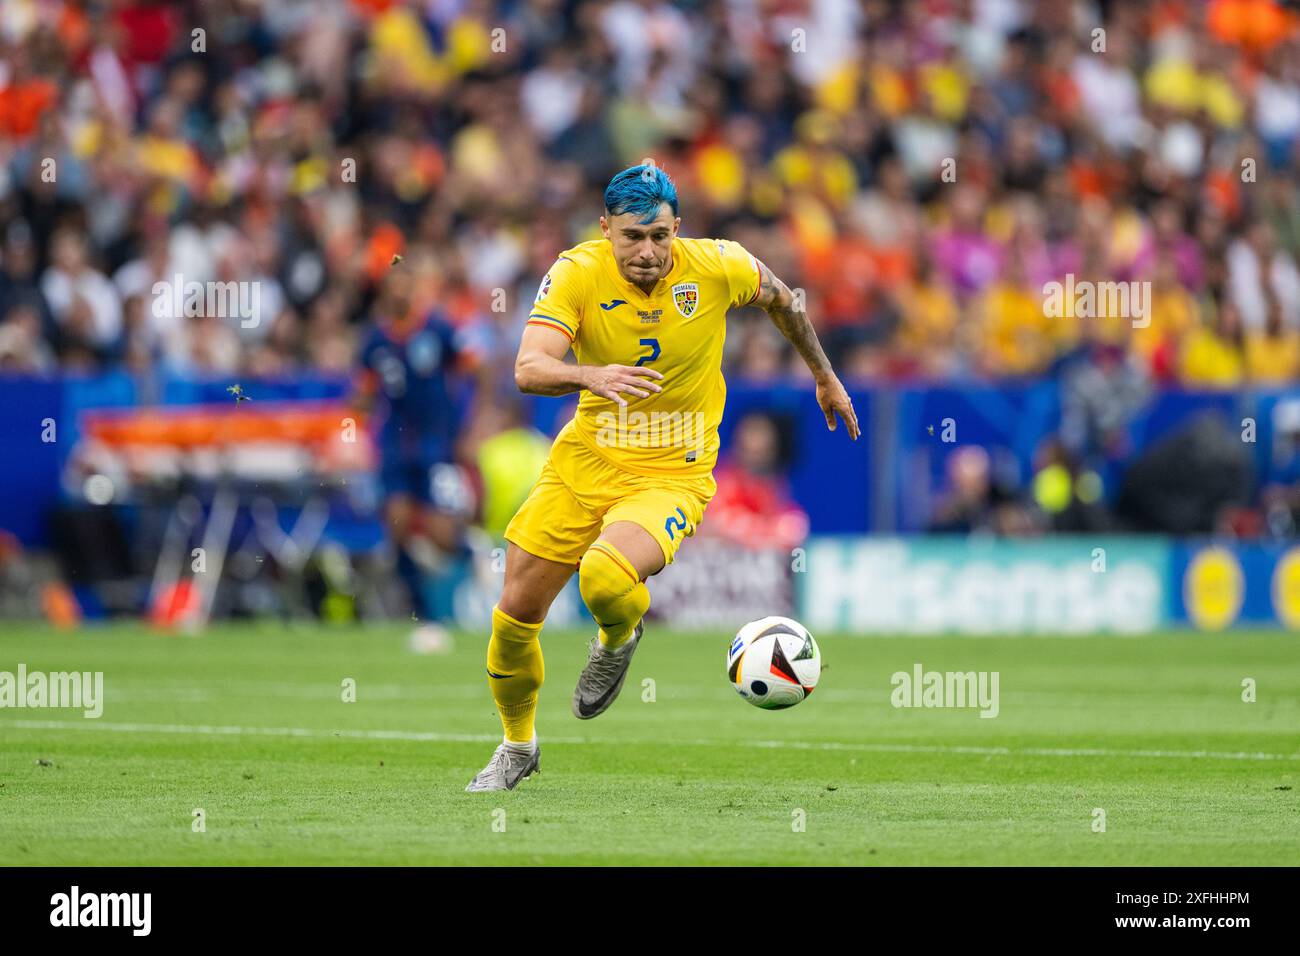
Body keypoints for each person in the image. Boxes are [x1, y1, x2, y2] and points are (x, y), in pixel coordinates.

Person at [465, 164, 859, 791]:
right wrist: (589, 376)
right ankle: (517, 746)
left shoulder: (719, 266)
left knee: (602, 576)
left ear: (678, 228)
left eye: (659, 236)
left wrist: (823, 374)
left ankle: (617, 638)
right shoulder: (576, 272)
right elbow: (528, 367)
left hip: (672, 472)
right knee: (513, 617)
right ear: (605, 230)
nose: (647, 252)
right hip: (584, 463)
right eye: (631, 237)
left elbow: (784, 300)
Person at [354, 264, 475, 638]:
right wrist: (354, 418)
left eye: (406, 285)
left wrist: (470, 424)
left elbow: (474, 370)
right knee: (397, 525)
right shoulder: (375, 342)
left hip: (435, 444)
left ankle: (479, 563)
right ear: (385, 293)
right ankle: (426, 616)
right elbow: (364, 394)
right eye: (393, 287)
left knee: (441, 533)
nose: (400, 293)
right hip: (395, 446)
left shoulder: (437, 330)